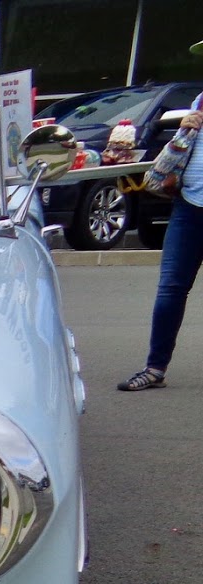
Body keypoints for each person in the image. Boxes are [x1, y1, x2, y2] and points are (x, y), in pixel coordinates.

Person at [119, 75, 203, 391]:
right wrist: (186, 128)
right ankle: (155, 368)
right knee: (170, 289)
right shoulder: (200, 102)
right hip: (189, 206)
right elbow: (181, 151)